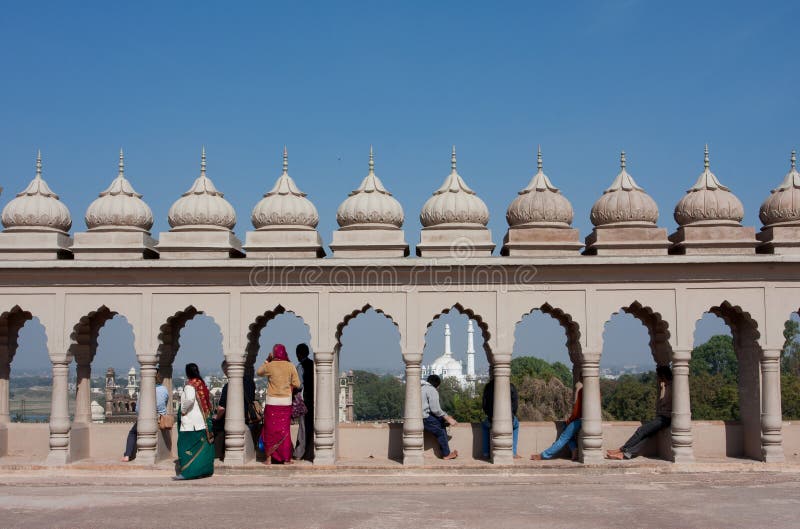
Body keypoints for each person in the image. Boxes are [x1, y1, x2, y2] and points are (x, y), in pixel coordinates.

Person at [606, 365, 673, 460]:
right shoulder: (667, 386)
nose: (657, 379)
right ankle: (626, 453)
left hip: (666, 418)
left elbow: (665, 404)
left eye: (659, 376)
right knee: (647, 435)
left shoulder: (672, 387)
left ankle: (622, 450)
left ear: (663, 376)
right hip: (663, 417)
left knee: (641, 430)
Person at [256, 343, 301, 464]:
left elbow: (258, 372)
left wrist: (267, 360)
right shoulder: (290, 366)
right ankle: (286, 459)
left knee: (270, 430)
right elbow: (297, 384)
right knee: (284, 431)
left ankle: (268, 459)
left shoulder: (270, 366)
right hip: (285, 403)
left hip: (272, 402)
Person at [175, 363, 214, 480]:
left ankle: (188, 473)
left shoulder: (190, 386)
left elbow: (190, 400)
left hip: (191, 423)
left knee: (184, 447)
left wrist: (183, 410)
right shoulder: (201, 384)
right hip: (202, 421)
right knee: (202, 448)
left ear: (187, 373)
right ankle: (203, 471)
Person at [212, 360, 257, 460]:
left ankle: (218, 453)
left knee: (216, 424)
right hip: (248, 416)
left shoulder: (229, 387)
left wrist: (216, 417)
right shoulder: (250, 382)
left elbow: (222, 408)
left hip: (235, 419)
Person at [121, 372, 169, 462]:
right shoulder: (164, 389)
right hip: (161, 419)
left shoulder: (143, 390)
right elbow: (165, 403)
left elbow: (138, 409)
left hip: (147, 419)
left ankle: (127, 455)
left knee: (132, 433)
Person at [531, 383, 583, 461]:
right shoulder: (595, 391)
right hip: (588, 420)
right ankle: (574, 449)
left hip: (580, 420)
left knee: (563, 438)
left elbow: (576, 412)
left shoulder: (582, 391)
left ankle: (543, 455)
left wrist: (569, 420)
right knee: (566, 429)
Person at [481, 376, 521, 459]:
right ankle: (513, 452)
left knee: (484, 426)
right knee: (516, 425)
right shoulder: (511, 386)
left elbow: (484, 405)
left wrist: (490, 415)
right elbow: (515, 405)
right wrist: (511, 416)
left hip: (491, 419)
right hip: (509, 420)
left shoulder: (488, 387)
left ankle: (485, 453)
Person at [421, 374, 459, 460]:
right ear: (437, 385)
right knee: (441, 431)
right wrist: (448, 418)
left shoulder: (421, 387)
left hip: (418, 417)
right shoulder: (431, 390)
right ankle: (446, 454)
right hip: (424, 417)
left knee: (441, 423)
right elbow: (435, 409)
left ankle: (446, 452)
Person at [293, 343, 315, 461]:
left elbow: (299, 385)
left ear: (299, 354)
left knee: (303, 426)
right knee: (311, 426)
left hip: (304, 400)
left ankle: (300, 453)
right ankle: (309, 452)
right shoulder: (313, 365)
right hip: (314, 400)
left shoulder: (300, 367)